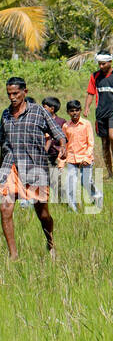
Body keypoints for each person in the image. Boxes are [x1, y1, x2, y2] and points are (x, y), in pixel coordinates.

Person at [0, 77, 66, 258]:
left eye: (15, 93)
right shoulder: (5, 115)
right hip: (9, 167)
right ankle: (13, 255)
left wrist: (63, 146)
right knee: (5, 209)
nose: (12, 97)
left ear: (25, 92)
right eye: (9, 94)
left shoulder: (38, 112)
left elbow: (57, 131)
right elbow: (1, 141)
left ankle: (50, 243)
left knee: (43, 214)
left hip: (34, 167)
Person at [86, 53, 113, 178]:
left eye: (103, 63)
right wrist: (86, 107)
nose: (101, 66)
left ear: (110, 61)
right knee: (105, 143)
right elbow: (90, 93)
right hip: (100, 113)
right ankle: (110, 171)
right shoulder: (95, 76)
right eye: (99, 64)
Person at [62, 99, 99, 213]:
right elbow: (64, 144)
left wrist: (86, 158)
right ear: (68, 112)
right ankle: (72, 208)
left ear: (80, 111)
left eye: (77, 110)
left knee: (86, 181)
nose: (75, 113)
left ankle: (96, 196)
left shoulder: (86, 124)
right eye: (72, 111)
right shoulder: (66, 126)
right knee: (71, 183)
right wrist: (61, 161)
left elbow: (90, 143)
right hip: (71, 158)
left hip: (85, 158)